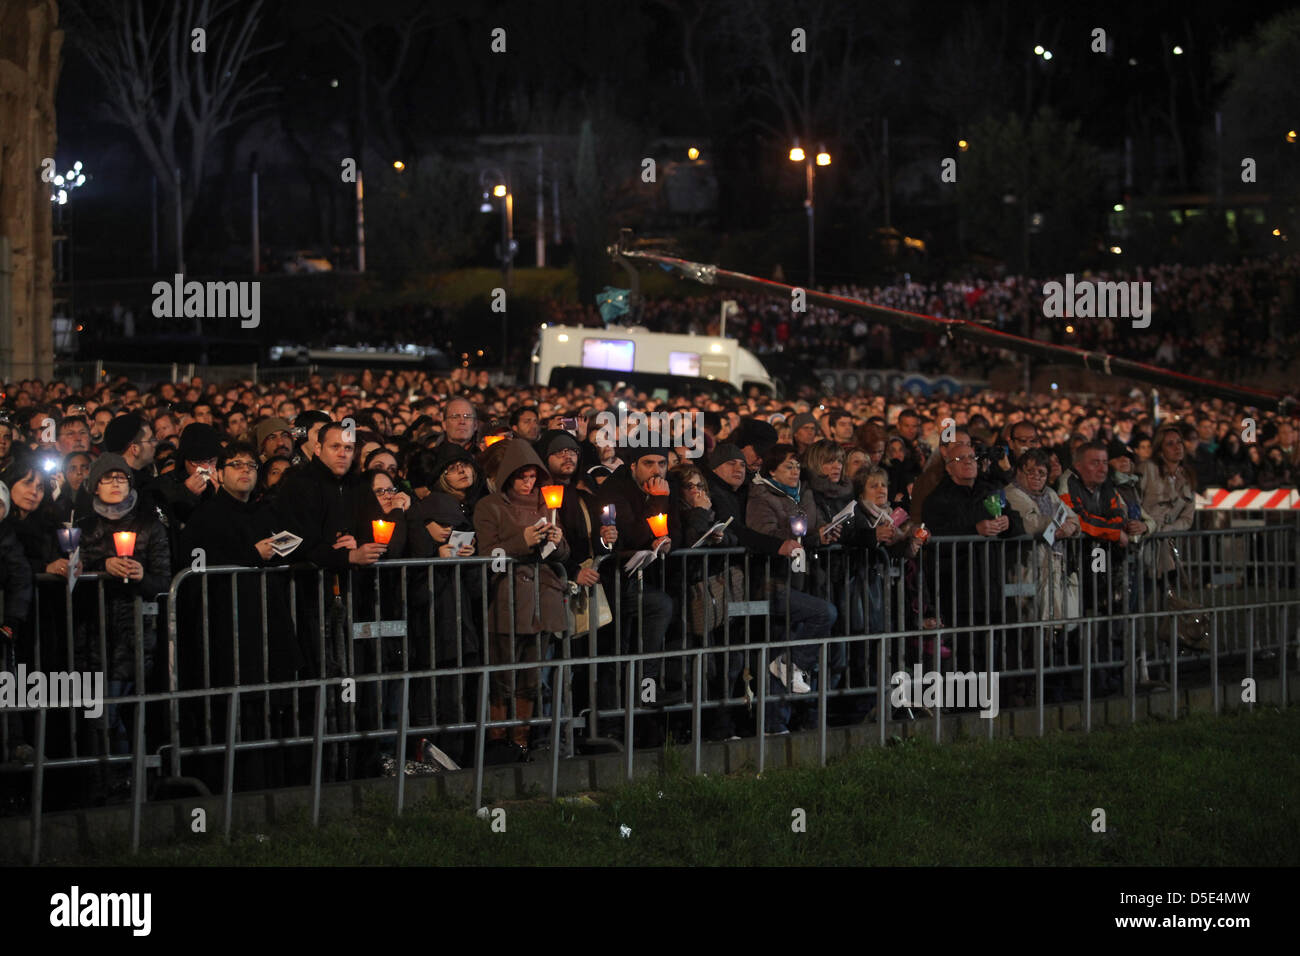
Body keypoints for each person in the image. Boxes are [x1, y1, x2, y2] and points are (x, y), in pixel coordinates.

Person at [473, 440, 569, 762]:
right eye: (521, 477)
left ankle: (523, 742)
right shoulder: (490, 507)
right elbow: (487, 556)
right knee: (503, 678)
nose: (528, 483)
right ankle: (499, 744)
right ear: (508, 477)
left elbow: (565, 552)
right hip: (508, 602)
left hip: (542, 600)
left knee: (531, 678)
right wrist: (521, 541)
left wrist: (556, 542)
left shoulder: (547, 504)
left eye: (532, 476)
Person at [73, 454, 171, 761]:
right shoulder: (83, 528)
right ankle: (103, 780)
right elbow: (71, 568)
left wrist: (142, 576)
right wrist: (102, 566)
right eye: (107, 478)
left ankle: (130, 779)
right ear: (94, 486)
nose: (116, 484)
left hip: (136, 635)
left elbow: (164, 579)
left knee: (126, 711)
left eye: (122, 478)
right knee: (97, 714)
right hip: (92, 632)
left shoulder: (149, 525)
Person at [747, 443, 843, 735]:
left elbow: (810, 531)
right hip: (773, 582)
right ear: (772, 469)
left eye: (797, 466)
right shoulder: (761, 496)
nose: (795, 471)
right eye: (788, 466)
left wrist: (824, 533)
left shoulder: (805, 494)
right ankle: (773, 721)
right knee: (820, 618)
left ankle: (782, 722)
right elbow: (764, 535)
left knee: (789, 652)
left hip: (804, 579)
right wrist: (806, 538)